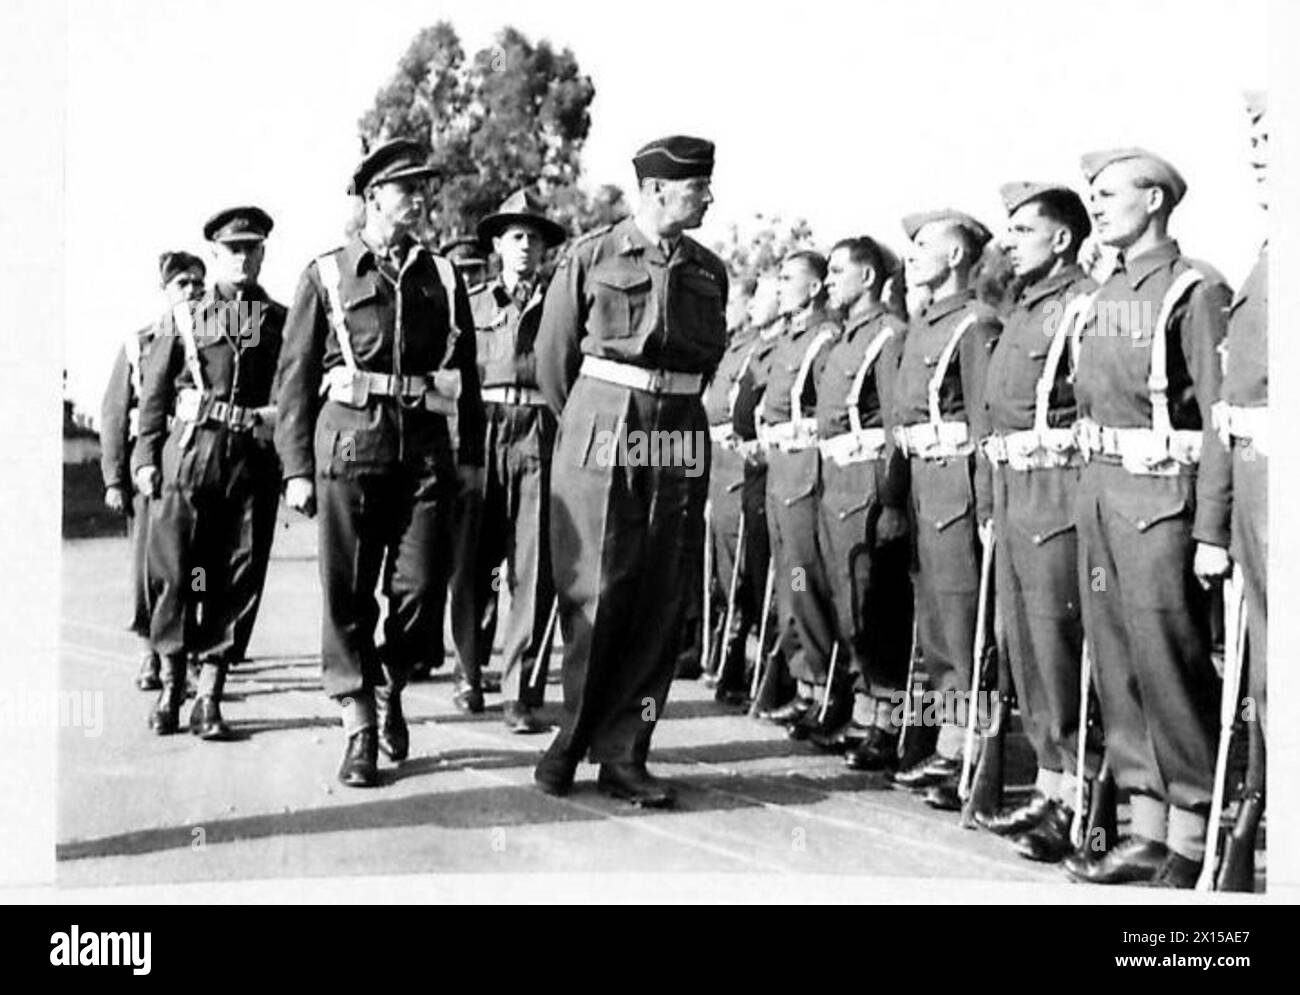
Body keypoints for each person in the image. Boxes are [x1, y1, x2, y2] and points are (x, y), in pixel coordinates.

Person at [275, 139, 485, 787]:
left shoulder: (443, 276)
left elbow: (466, 375)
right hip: (347, 448)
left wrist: (472, 457)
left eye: (425, 187)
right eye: (406, 187)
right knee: (347, 591)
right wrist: (296, 470)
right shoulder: (327, 273)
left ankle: (392, 683)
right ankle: (359, 724)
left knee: (422, 587)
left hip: (423, 452)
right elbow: (294, 376)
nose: (420, 198)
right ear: (371, 197)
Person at [532, 134, 727, 806]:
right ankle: (572, 737)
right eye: (697, 186)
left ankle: (625, 754)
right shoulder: (592, 255)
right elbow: (553, 362)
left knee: (661, 590)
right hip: (604, 419)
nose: (708, 196)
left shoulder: (709, 269)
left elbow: (711, 354)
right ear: (656, 192)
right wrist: (592, 424)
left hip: (677, 424)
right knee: (598, 584)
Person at [1061, 148, 1232, 887]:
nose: (1095, 206)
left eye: (1108, 194)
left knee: (1169, 664)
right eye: (1091, 197)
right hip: (1099, 494)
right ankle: (1144, 825)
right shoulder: (1104, 294)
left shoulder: (1194, 289)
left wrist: (1214, 529)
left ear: (1155, 199)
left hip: (1162, 503)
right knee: (1120, 665)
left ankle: (1194, 832)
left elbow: (1226, 417)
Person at [975, 182, 1097, 861]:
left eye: (1025, 229)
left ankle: (1080, 800)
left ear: (1062, 239)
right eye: (1009, 229)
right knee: (1024, 645)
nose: (1010, 240)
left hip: (1059, 489)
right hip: (1015, 490)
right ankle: (1050, 787)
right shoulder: (1021, 310)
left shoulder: (1085, 306)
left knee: (1060, 646)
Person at [132, 208, 286, 739]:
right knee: (178, 572)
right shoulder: (187, 317)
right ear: (216, 255)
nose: (243, 258)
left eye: (252, 248)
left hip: (252, 460)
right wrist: (145, 459)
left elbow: (295, 391)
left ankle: (209, 695)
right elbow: (153, 397)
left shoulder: (281, 320)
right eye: (233, 249)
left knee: (237, 573)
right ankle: (173, 683)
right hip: (191, 455)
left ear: (264, 253)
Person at [889, 209, 1001, 807]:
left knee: (963, 626)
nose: (912, 253)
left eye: (926, 244)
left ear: (957, 256)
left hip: (957, 486)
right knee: (935, 626)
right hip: (922, 486)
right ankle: (947, 746)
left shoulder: (976, 325)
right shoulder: (923, 325)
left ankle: (972, 754)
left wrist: (985, 506)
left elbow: (985, 425)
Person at [447, 188, 567, 731]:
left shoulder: (562, 306)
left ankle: (520, 691)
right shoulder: (470, 305)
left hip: (539, 434)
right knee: (472, 562)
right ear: (497, 243)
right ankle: (470, 672)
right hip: (482, 430)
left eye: (535, 238)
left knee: (533, 567)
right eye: (516, 236)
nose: (525, 246)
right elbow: (454, 382)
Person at [812, 236, 912, 767]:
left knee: (877, 609)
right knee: (847, 605)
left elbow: (897, 422)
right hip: (836, 481)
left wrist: (893, 500)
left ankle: (889, 724)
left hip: (869, 485)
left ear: (868, 276)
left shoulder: (889, 335)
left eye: (837, 271)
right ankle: (865, 711)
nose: (829, 281)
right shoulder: (846, 338)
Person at [1194, 91, 1268, 740]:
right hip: (1253, 494)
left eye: (1275, 139)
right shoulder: (1265, 263)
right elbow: (1227, 413)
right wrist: (1214, 528)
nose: (1258, 154)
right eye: (1256, 140)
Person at [101, 251, 206, 692]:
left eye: (199, 284)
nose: (193, 292)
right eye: (183, 284)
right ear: (163, 291)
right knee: (151, 565)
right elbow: (113, 412)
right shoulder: (139, 343)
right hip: (151, 468)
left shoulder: (216, 338)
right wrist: (114, 478)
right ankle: (149, 649)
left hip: (197, 464)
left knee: (197, 564)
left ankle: (194, 646)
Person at [754, 252, 844, 737]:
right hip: (779, 466)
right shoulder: (790, 339)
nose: (781, 285)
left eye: (790, 279)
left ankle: (826, 688)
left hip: (806, 466)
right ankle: (804, 686)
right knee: (790, 581)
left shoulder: (825, 339)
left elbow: (831, 410)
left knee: (808, 579)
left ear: (814, 289)